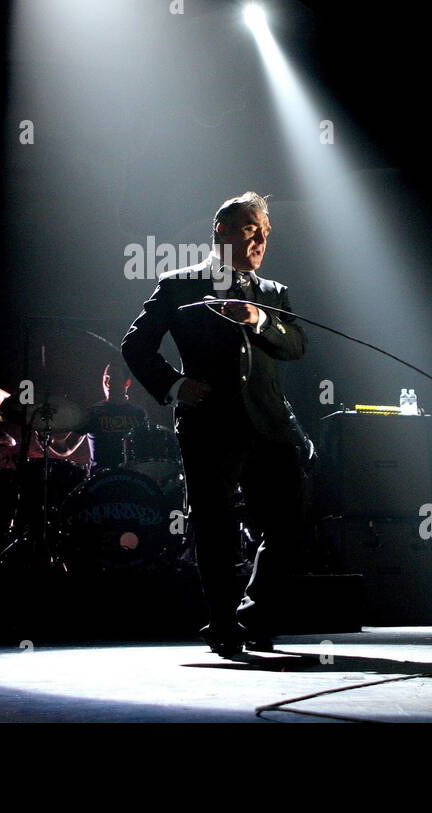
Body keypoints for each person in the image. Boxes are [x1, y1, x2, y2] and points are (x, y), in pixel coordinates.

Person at [121, 191, 307, 657]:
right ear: (220, 230)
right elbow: (136, 346)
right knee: (215, 527)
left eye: (265, 231)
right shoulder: (179, 285)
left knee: (286, 525)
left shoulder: (273, 293)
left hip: (269, 425)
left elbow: (296, 346)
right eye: (250, 229)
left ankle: (255, 614)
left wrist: (261, 320)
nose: (261, 239)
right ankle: (223, 623)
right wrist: (176, 386)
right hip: (209, 425)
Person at [47, 362, 148, 474]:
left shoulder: (138, 414)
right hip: (99, 482)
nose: (108, 383)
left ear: (127, 383)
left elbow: (146, 452)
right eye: (106, 378)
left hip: (130, 480)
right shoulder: (92, 413)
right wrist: (47, 440)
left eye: (114, 379)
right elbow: (66, 447)